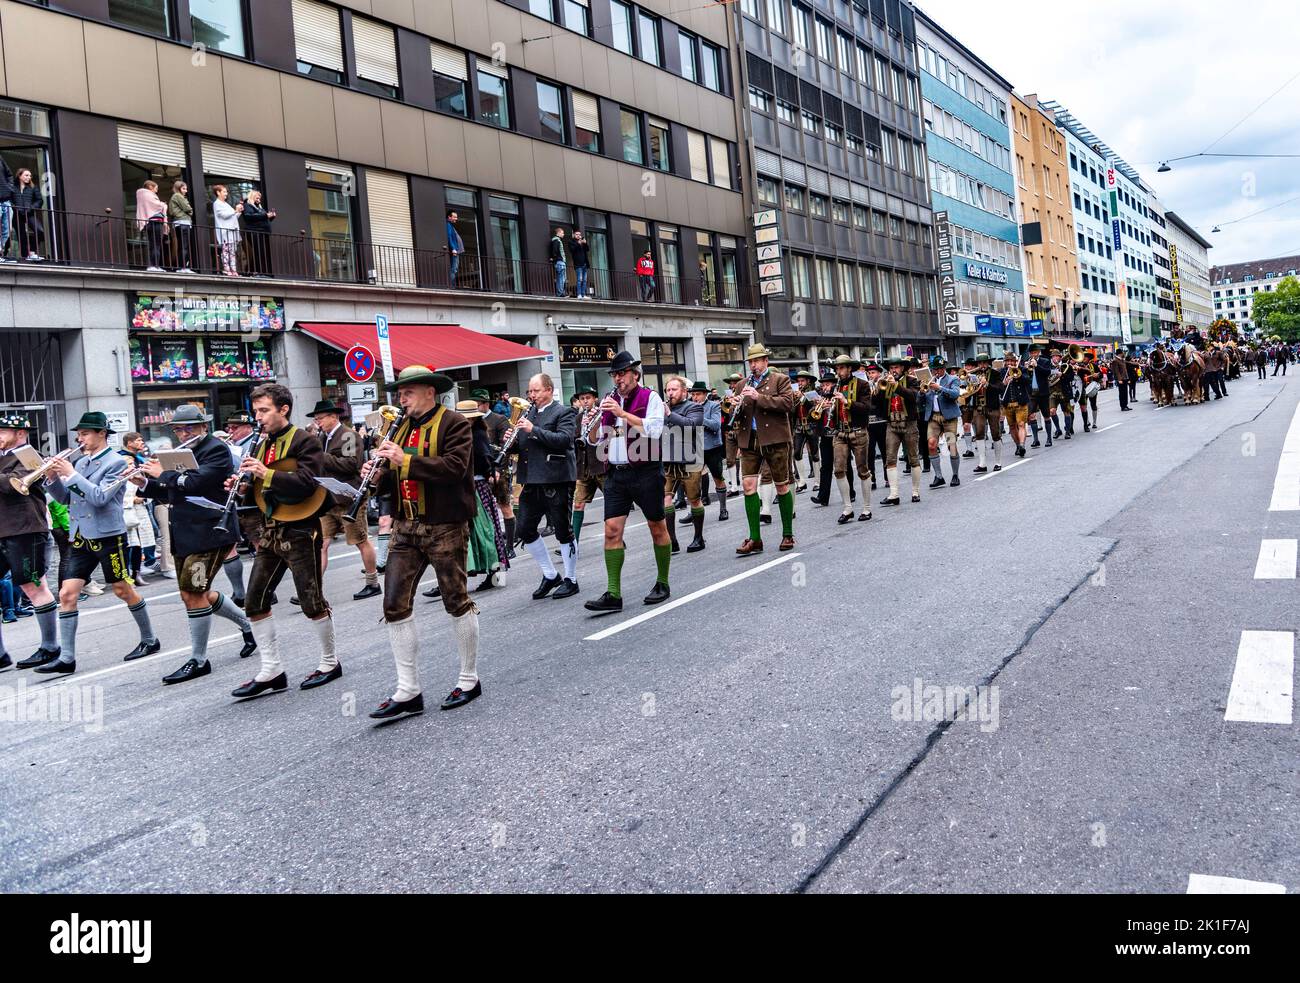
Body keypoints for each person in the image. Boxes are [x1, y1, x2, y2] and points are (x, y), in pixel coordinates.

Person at [367, 365, 481, 719]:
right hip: (405, 525)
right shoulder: (400, 426)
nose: (402, 400)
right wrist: (376, 475)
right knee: (393, 604)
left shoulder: (454, 423)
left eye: (408, 393)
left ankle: (468, 679)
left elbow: (455, 468)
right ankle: (408, 690)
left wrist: (406, 460)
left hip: (444, 523)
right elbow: (392, 477)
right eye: (400, 394)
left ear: (430, 392)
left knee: (455, 599)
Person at [131, 405, 256, 684]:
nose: (184, 433)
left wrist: (161, 473)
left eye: (190, 428)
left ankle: (199, 660)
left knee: (193, 592)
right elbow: (169, 491)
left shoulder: (216, 449)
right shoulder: (174, 454)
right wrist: (143, 483)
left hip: (211, 532)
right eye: (179, 429)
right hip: (184, 533)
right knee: (196, 593)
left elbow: (196, 483)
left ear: (203, 427)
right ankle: (248, 625)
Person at [227, 383, 338, 698]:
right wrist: (243, 487)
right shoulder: (261, 444)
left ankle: (330, 662)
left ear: (283, 409)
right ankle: (271, 670)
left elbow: (307, 483)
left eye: (264, 411)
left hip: (302, 528)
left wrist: (265, 473)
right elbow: (261, 487)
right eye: (257, 411)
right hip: (271, 529)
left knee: (310, 600)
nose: (259, 417)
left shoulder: (306, 441)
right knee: (254, 601)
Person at [40, 412, 161, 675]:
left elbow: (99, 498)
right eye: (79, 434)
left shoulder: (116, 462)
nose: (79, 438)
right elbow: (65, 500)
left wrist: (70, 473)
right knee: (66, 594)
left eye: (84, 433)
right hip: (80, 535)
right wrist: (51, 477)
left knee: (122, 590)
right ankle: (67, 658)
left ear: (101, 434)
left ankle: (150, 639)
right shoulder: (81, 463)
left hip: (108, 535)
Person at [582, 351, 672, 612]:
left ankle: (662, 582)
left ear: (635, 374)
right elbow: (595, 441)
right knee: (611, 531)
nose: (618, 379)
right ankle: (613, 593)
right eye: (614, 375)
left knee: (657, 527)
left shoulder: (650, 397)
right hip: (616, 474)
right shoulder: (608, 401)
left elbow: (653, 430)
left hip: (646, 471)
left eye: (622, 373)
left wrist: (622, 412)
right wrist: (593, 424)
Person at [0, 413, 62, 671]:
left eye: (2, 431)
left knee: (33, 587)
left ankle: (50, 647)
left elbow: (13, 485)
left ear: (20, 433)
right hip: (3, 530)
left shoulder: (29, 455)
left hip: (25, 529)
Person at [513, 373, 579, 599]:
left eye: (536, 391)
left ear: (549, 390)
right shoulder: (528, 413)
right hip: (531, 479)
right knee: (524, 529)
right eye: (529, 391)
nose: (532, 396)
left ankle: (571, 579)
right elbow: (524, 446)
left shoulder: (564, 412)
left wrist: (533, 430)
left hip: (556, 478)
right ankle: (551, 575)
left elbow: (564, 440)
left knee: (562, 530)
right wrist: (509, 443)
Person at [308, 399, 381, 601]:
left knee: (360, 540)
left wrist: (319, 456)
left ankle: (372, 582)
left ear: (334, 416)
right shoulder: (322, 436)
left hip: (348, 497)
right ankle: (314, 588)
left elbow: (350, 465)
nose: (318, 422)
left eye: (321, 418)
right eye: (316, 419)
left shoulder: (348, 434)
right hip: (329, 497)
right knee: (321, 543)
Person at [732, 344, 797, 554]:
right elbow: (740, 413)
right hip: (749, 439)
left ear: (765, 361)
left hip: (774, 439)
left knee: (781, 486)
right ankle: (755, 538)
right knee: (749, 486)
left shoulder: (780, 379)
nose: (753, 365)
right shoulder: (742, 383)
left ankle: (787, 534)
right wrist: (735, 404)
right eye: (750, 362)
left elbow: (788, 404)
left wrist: (759, 398)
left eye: (756, 361)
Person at [456, 400, 509, 592]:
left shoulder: (476, 434)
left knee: (487, 529)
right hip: (470, 485)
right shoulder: (468, 433)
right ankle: (491, 572)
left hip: (477, 485)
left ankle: (497, 574)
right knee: (481, 530)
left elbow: (485, 458)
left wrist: (489, 473)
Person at [662, 376, 707, 553]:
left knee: (694, 500)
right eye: (668, 390)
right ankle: (672, 540)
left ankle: (698, 538)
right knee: (665, 499)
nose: (670, 393)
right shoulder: (663, 408)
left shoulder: (694, 407)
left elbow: (691, 425)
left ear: (684, 392)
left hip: (691, 459)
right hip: (668, 460)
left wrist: (669, 414)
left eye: (674, 389)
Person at [829, 355, 872, 524]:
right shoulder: (835, 386)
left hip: (858, 431)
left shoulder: (863, 385)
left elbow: (866, 408)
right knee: (839, 470)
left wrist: (847, 401)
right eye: (837, 369)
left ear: (849, 368)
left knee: (862, 470)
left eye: (841, 368)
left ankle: (867, 508)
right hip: (840, 433)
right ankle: (847, 509)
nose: (838, 372)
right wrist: (828, 408)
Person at [879, 358, 923, 506]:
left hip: (909, 423)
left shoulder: (912, 380)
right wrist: (877, 391)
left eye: (896, 367)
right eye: (891, 368)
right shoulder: (885, 382)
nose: (893, 370)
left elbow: (913, 397)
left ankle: (915, 491)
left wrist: (896, 386)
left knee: (913, 458)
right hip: (892, 423)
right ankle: (894, 494)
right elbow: (877, 404)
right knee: (890, 459)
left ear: (903, 369)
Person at [571, 384, 607, 547]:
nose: (585, 401)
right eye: (582, 399)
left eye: (588, 398)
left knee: (612, 502)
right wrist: (581, 429)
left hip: (600, 466)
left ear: (595, 399)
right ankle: (574, 543)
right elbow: (573, 442)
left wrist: (594, 424)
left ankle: (616, 536)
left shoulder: (603, 414)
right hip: (583, 468)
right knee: (578, 504)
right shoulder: (577, 419)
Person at [922, 357, 964, 489]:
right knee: (931, 444)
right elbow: (920, 400)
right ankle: (939, 476)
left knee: (952, 445)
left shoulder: (953, 379)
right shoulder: (928, 380)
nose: (938, 371)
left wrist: (939, 388)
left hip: (949, 417)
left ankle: (955, 475)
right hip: (934, 418)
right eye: (935, 369)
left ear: (944, 368)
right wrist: (921, 391)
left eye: (940, 369)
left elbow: (955, 394)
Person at [697, 380, 728, 522]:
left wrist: (700, 418)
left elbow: (716, 426)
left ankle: (723, 509)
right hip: (696, 448)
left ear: (705, 394)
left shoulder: (714, 406)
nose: (695, 397)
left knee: (718, 478)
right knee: (693, 481)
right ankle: (695, 509)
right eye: (693, 394)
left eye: (698, 394)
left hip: (713, 448)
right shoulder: (689, 406)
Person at [135, 180, 168, 272]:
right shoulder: (148, 194)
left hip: (148, 223)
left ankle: (152, 265)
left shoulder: (141, 195)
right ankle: (155, 266)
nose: (156, 191)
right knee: (156, 245)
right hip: (156, 222)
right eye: (156, 188)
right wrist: (164, 204)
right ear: (150, 186)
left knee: (152, 244)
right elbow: (157, 205)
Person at [240, 189, 275, 277]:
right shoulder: (247, 205)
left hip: (263, 232)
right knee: (257, 252)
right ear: (252, 196)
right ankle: (256, 272)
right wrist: (265, 215)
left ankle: (263, 272)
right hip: (255, 232)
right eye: (257, 197)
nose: (259, 199)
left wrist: (271, 216)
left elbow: (263, 218)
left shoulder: (259, 207)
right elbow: (249, 216)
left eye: (260, 197)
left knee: (262, 252)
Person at [12, 168, 44, 262]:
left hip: (29, 213)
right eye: (26, 175)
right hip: (17, 214)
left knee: (40, 231)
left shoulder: (33, 187)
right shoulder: (13, 187)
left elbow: (39, 200)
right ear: (19, 176)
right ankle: (25, 256)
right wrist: (14, 207)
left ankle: (32, 252)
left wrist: (32, 207)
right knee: (21, 236)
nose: (29, 177)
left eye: (30, 176)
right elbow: (8, 198)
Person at [212, 185, 242, 277]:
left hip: (231, 230)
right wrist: (235, 211)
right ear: (218, 192)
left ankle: (233, 270)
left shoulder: (226, 204)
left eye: (226, 192)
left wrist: (238, 212)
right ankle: (226, 269)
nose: (226, 194)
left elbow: (232, 217)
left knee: (232, 251)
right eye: (224, 191)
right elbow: (223, 215)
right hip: (225, 231)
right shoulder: (217, 203)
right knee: (226, 250)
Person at [168, 180, 194, 273]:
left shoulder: (175, 196)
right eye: (183, 188)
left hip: (178, 223)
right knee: (184, 246)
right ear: (178, 188)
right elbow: (188, 209)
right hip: (183, 222)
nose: (186, 191)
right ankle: (183, 267)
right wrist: (190, 210)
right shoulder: (178, 196)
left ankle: (181, 267)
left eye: (186, 189)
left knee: (181, 246)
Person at [570, 230, 590, 299]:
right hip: (578, 264)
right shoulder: (571, 242)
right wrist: (578, 243)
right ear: (574, 235)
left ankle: (583, 294)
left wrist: (585, 243)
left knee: (584, 280)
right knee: (579, 280)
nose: (578, 236)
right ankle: (579, 294)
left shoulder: (582, 242)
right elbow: (572, 250)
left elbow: (587, 249)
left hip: (584, 264)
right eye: (577, 234)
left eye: (579, 234)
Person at [446, 210, 464, 286]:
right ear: (449, 217)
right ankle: (452, 286)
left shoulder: (450, 225)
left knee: (455, 269)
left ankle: (452, 285)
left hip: (456, 250)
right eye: (454, 217)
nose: (456, 219)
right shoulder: (448, 225)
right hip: (455, 251)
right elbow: (449, 237)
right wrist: (453, 248)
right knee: (454, 269)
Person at [549, 227, 568, 297]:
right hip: (560, 261)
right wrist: (555, 258)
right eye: (562, 233)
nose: (563, 234)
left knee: (561, 278)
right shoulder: (556, 240)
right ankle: (560, 293)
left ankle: (560, 292)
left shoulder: (556, 240)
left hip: (559, 261)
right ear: (559, 233)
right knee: (561, 278)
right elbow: (555, 251)